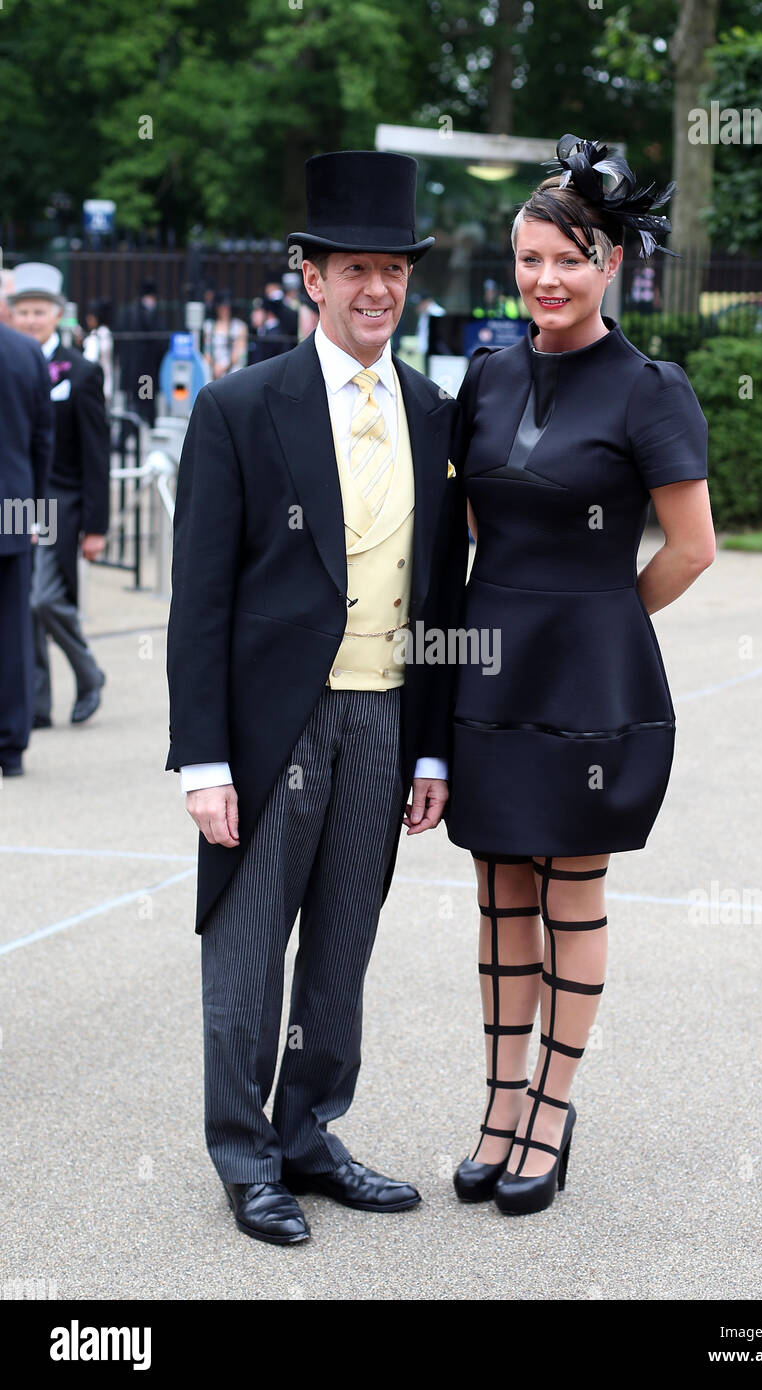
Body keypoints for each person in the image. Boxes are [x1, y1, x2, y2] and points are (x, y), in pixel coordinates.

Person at [165, 150, 466, 1246]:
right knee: (245, 957)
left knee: (342, 948)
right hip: (265, 726)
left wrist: (432, 750)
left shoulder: (435, 410)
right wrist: (202, 759)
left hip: (384, 715)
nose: (376, 288)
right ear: (311, 277)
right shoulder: (244, 406)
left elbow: (445, 588)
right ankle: (245, 1159)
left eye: (392, 268)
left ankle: (309, 1133)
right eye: (353, 268)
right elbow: (198, 598)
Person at [445, 135, 715, 1215]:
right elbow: (467, 517)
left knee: (571, 885)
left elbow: (690, 548)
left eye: (569, 258)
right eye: (528, 259)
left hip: (588, 678)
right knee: (498, 881)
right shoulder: (487, 373)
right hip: (489, 668)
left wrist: (600, 618)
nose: (545, 280)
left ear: (610, 265)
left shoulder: (651, 388)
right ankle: (497, 1104)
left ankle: (551, 1111)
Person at [10, 263, 110, 728]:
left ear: (57, 314)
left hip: (60, 499)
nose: (31, 319)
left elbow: (97, 453)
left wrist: (97, 525)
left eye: (40, 310)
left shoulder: (81, 370)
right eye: (23, 310)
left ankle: (88, 672)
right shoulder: (9, 361)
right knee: (20, 599)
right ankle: (37, 702)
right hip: (18, 498)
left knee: (42, 598)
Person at [0, 316, 54, 776]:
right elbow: (43, 441)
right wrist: (36, 511)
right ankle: (11, 743)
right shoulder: (24, 352)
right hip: (13, 506)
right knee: (13, 629)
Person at [116, 278, 166, 426]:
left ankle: (126, 438)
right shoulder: (148, 314)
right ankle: (145, 432)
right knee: (145, 405)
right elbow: (159, 341)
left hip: (131, 369)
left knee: (131, 405)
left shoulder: (127, 312)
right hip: (146, 371)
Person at [201, 289, 248, 378]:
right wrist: (214, 367)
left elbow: (238, 352)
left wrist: (223, 367)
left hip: (232, 369)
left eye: (226, 307)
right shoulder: (208, 326)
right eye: (221, 307)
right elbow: (206, 351)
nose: (224, 310)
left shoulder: (240, 326)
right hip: (212, 369)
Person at [82, 298, 115, 408]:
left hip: (98, 385)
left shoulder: (99, 334)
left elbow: (90, 358)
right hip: (102, 384)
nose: (88, 320)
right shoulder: (103, 333)